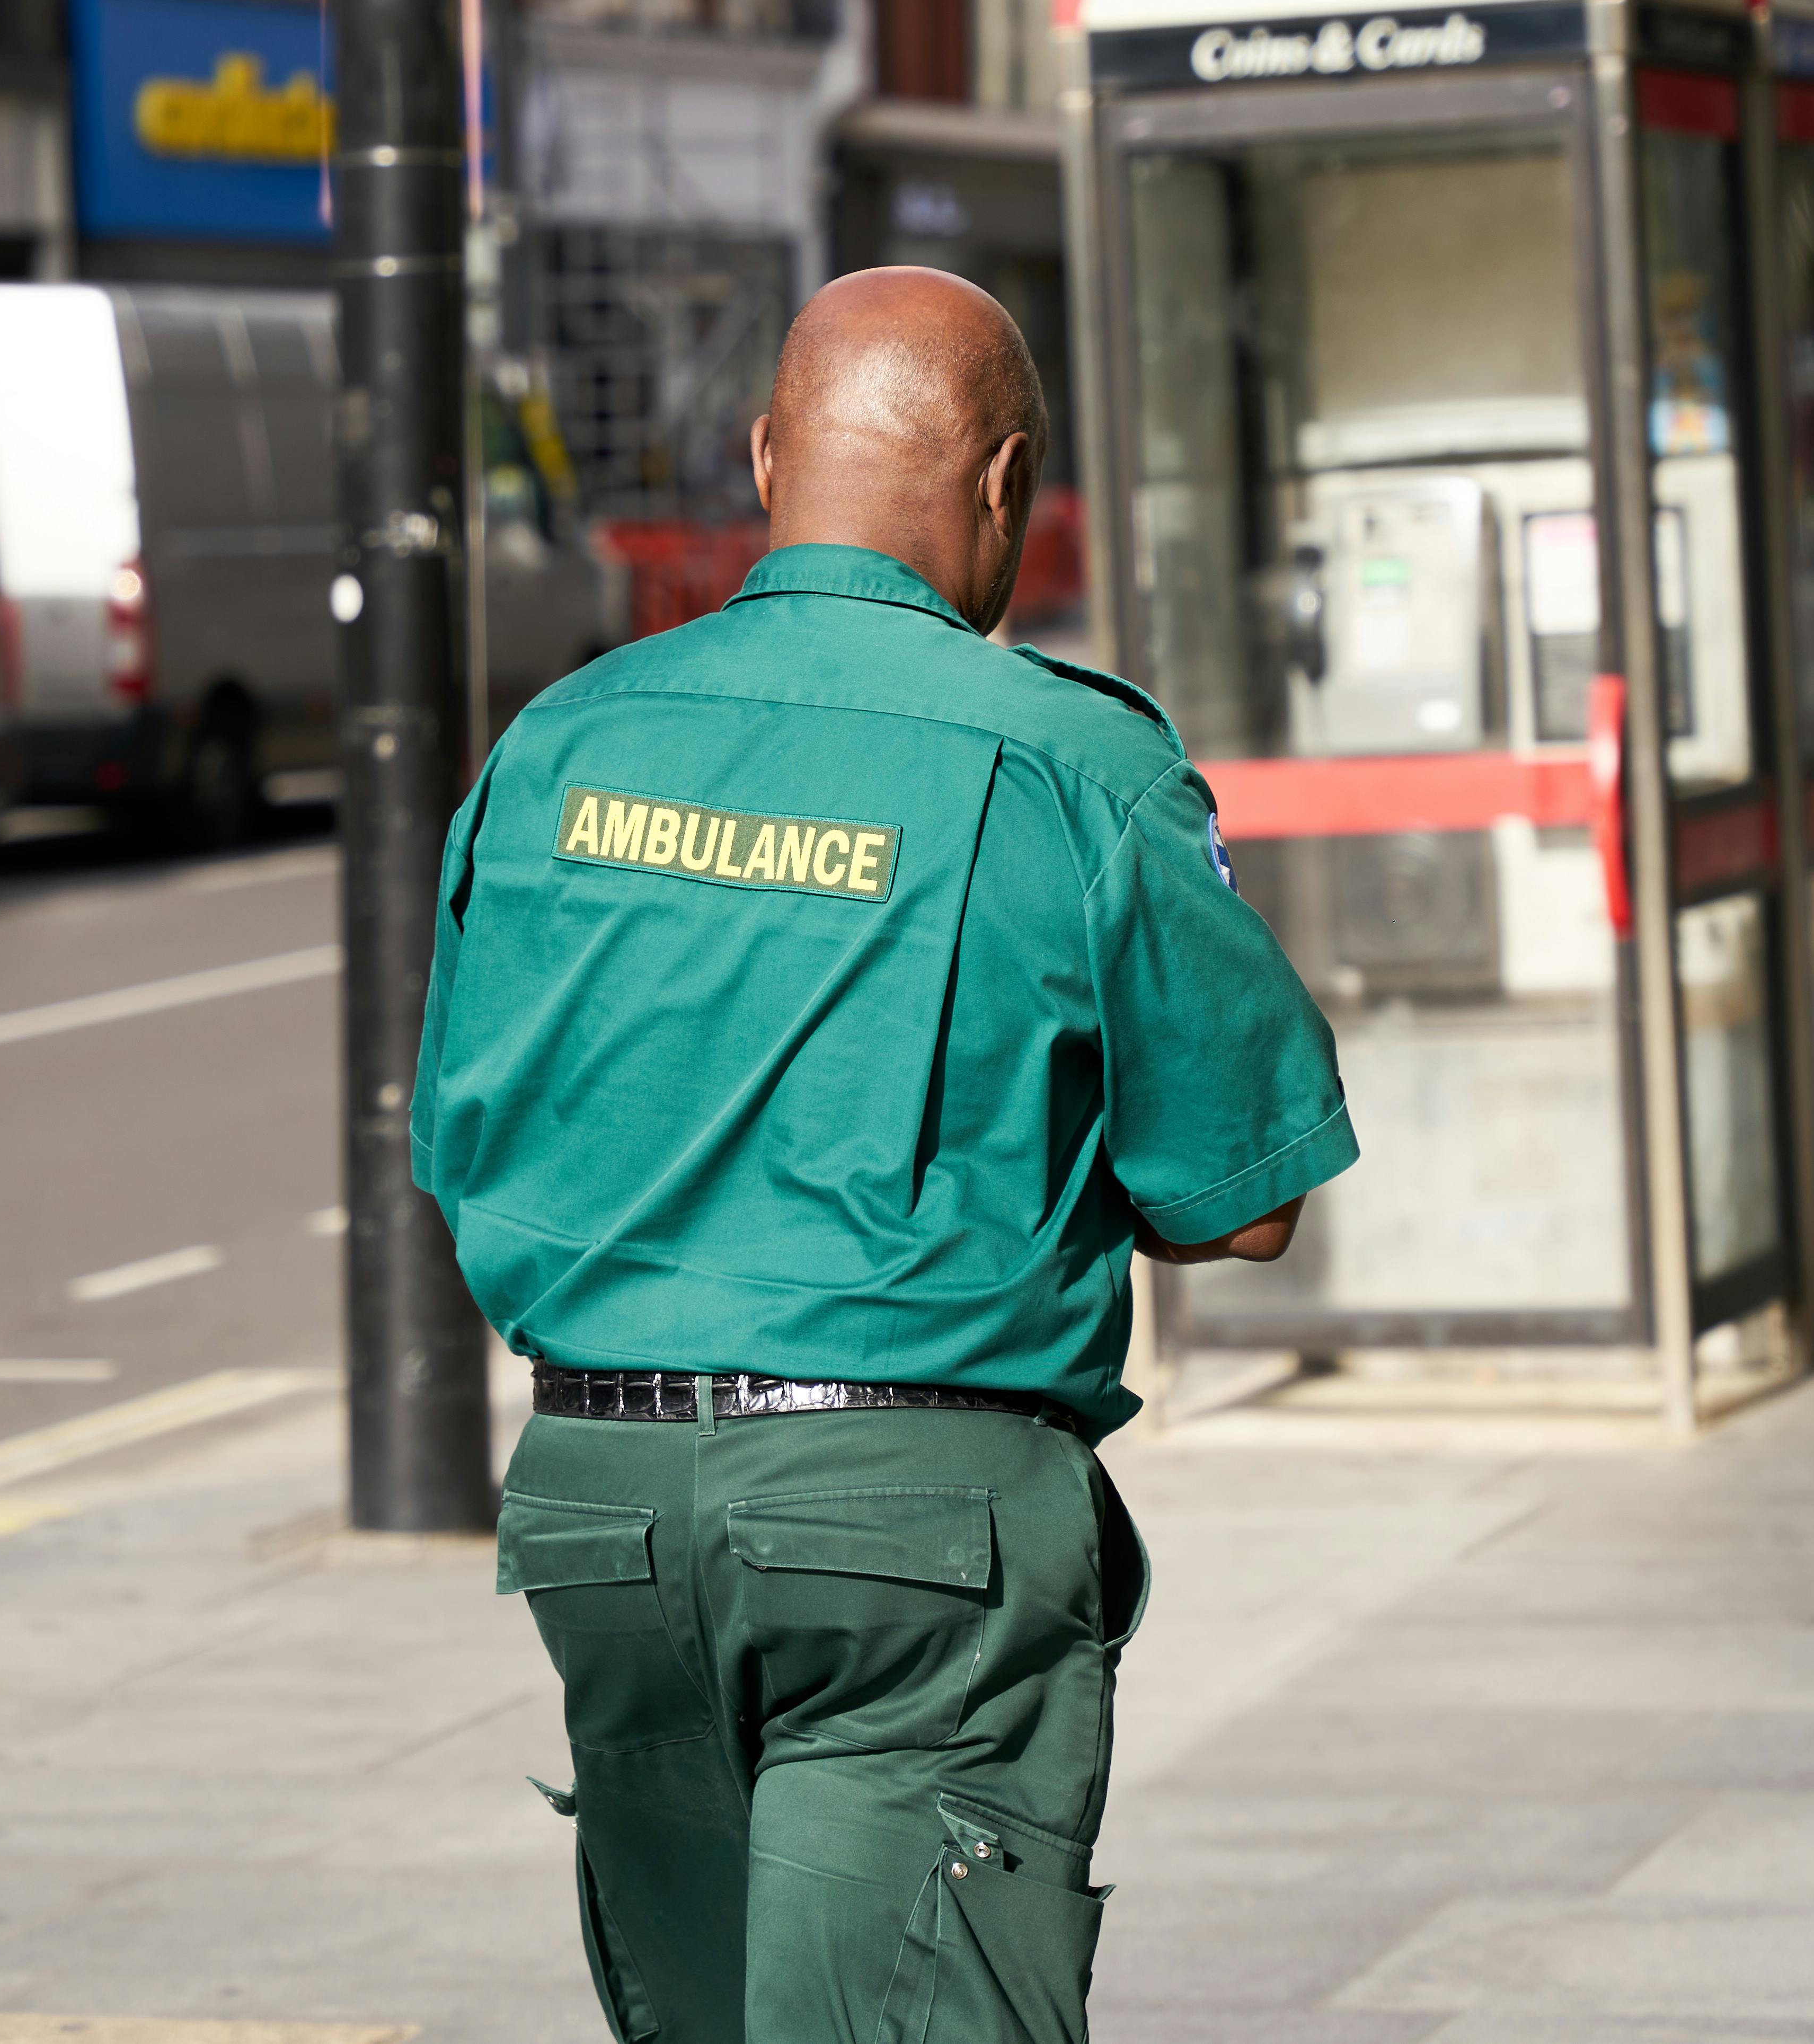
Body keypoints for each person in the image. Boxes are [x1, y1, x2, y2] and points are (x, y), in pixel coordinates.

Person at [411, 267, 1356, 2044]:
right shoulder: (1076, 759)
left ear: (770, 454)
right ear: (1004, 485)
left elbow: (466, 1149)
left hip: (601, 1518)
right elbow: (1248, 1195)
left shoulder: (559, 743)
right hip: (908, 1540)